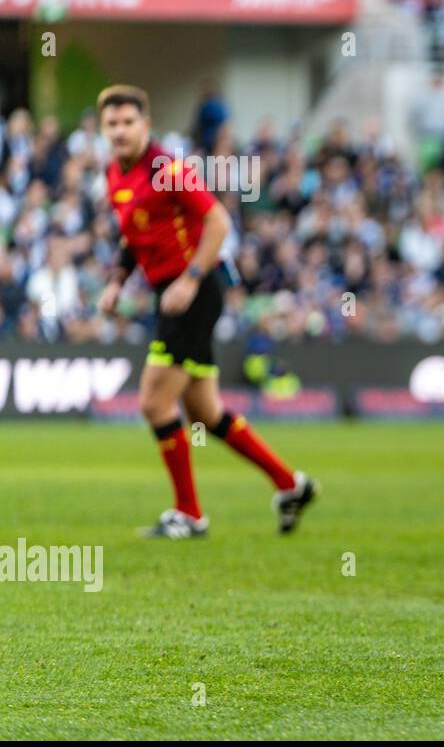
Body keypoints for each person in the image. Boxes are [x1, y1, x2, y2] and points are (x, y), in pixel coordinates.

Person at [95, 84, 317, 538]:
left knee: (154, 402)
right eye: (111, 123)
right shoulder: (114, 173)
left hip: (194, 291)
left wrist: (191, 278)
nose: (119, 130)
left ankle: (189, 514)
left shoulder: (167, 168)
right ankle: (290, 484)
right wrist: (117, 281)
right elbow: (132, 235)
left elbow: (217, 220)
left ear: (146, 124)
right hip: (173, 292)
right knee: (205, 413)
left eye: (128, 122)